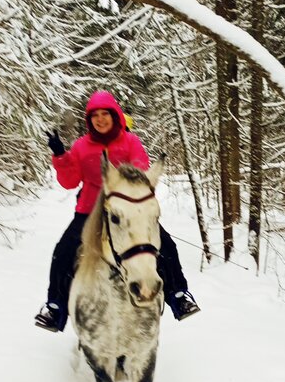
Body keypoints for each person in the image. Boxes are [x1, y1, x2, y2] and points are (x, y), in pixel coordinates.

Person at [35, 90, 200, 332]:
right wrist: (61, 156)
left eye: (105, 114)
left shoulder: (130, 142)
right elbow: (70, 181)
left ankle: (178, 296)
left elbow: (140, 172)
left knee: (166, 245)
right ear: (89, 120)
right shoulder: (81, 146)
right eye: (95, 116)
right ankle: (55, 307)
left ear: (115, 116)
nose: (100, 119)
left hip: (127, 211)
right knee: (63, 251)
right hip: (90, 211)